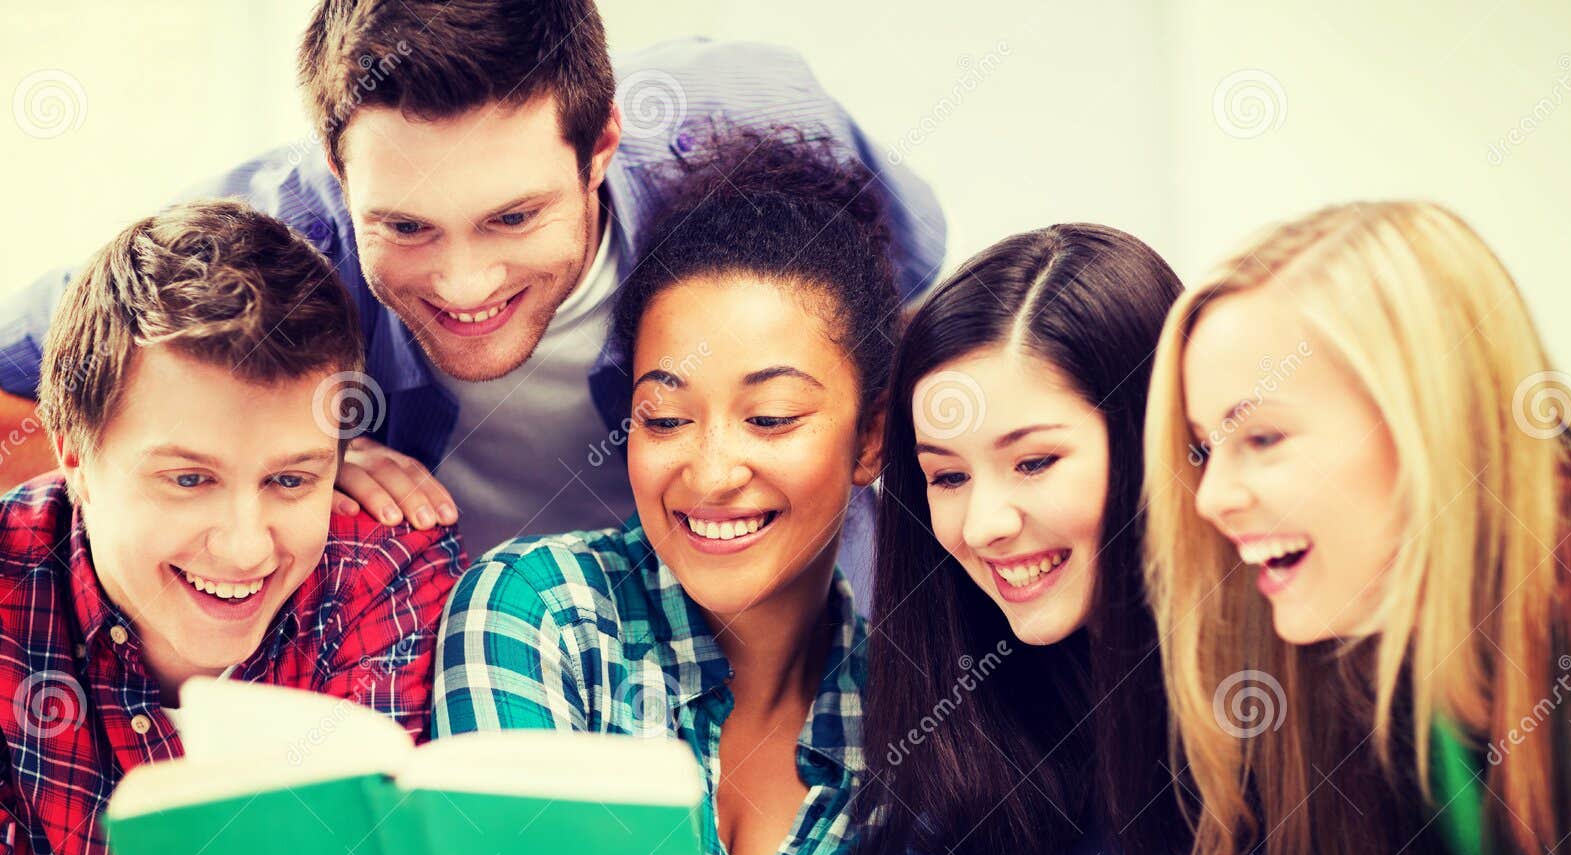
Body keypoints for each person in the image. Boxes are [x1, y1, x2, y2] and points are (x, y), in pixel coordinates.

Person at [0, 0, 946, 602]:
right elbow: (24, 409)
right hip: (463, 698)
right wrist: (277, 462)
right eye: (407, 228)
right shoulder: (270, 244)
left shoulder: (753, 120)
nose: (463, 288)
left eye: (512, 217)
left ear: (603, 142)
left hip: (796, 658)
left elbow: (907, 330)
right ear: (337, 169)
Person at [976, 201, 1571, 855]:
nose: (1211, 498)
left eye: (1262, 437)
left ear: (1431, 418)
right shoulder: (1367, 635)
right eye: (1202, 449)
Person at [409, 132, 909, 855]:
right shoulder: (534, 611)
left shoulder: (909, 705)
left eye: (771, 418)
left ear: (871, 436)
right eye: (666, 417)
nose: (712, 471)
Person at [0, 199, 463, 855]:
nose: (246, 545)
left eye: (292, 479)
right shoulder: (9, 582)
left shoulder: (382, 585)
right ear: (74, 454)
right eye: (188, 479)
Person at [787, 225, 1254, 855]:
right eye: (949, 476)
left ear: (1157, 440)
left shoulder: (1294, 660)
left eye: (1034, 462)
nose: (985, 525)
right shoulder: (971, 683)